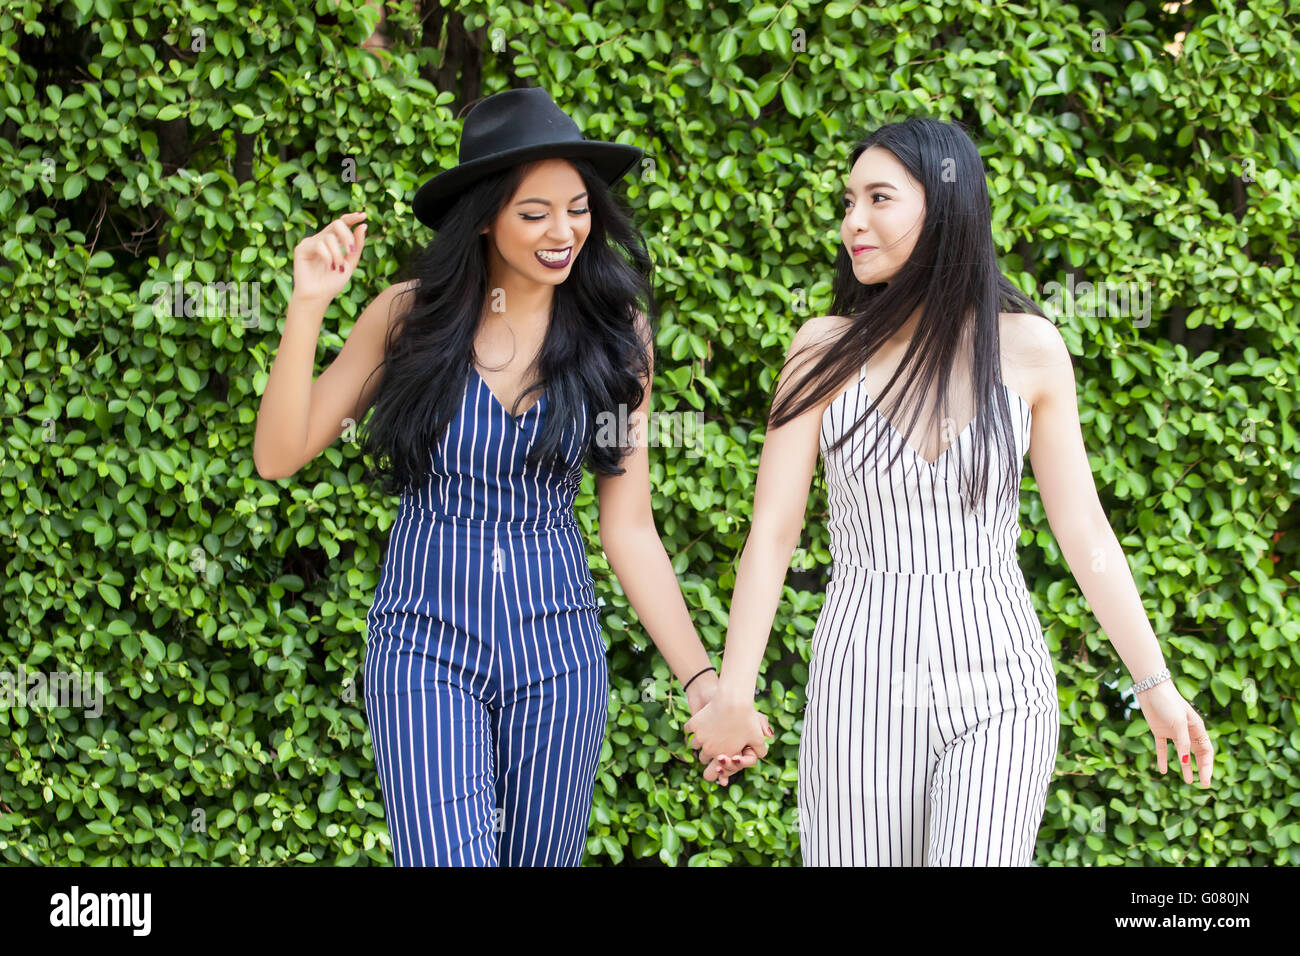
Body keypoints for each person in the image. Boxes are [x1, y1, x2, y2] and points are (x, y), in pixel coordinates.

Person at [684, 117, 1215, 866]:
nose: (853, 222)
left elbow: (1085, 533)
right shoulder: (821, 349)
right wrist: (735, 690)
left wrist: (1154, 682)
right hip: (859, 684)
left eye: (878, 198)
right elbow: (772, 532)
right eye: (848, 202)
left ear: (944, 206)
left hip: (999, 682)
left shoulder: (1029, 349)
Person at [253, 87, 763, 866]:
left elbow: (628, 528)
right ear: (487, 216)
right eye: (535, 214)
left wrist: (704, 684)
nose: (564, 232)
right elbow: (279, 454)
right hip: (423, 649)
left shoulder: (617, 337)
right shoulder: (408, 317)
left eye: (578, 208)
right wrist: (307, 306)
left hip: (557, 657)